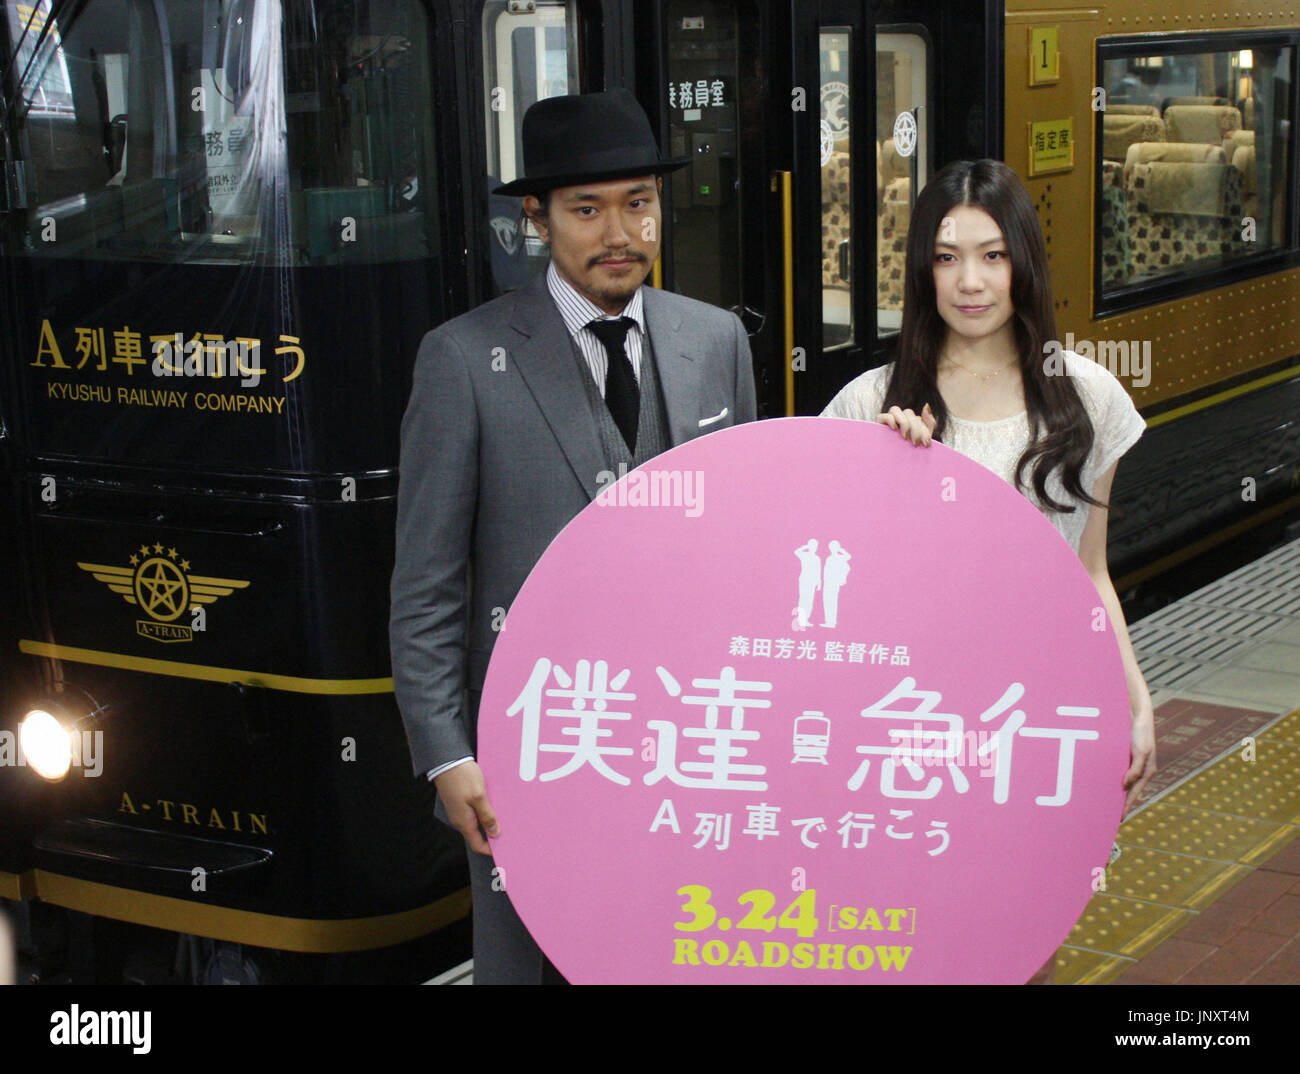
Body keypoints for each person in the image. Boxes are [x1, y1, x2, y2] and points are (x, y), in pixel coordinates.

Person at [389, 88, 757, 985]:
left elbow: (753, 546)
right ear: (535, 220)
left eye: (639, 201)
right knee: (527, 968)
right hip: (540, 744)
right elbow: (426, 585)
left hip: (692, 744)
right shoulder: (464, 359)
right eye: (586, 210)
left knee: (685, 957)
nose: (618, 231)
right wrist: (447, 754)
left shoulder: (715, 342)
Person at [820, 158, 1157, 984]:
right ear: (921, 271)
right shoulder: (869, 407)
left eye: (993, 255)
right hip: (898, 731)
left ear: (1025, 264)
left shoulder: (1089, 400)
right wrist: (886, 476)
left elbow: (1093, 577)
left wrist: (1136, 702)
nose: (970, 281)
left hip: (1024, 730)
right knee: (895, 947)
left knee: (1015, 947)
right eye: (945, 257)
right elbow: (832, 589)